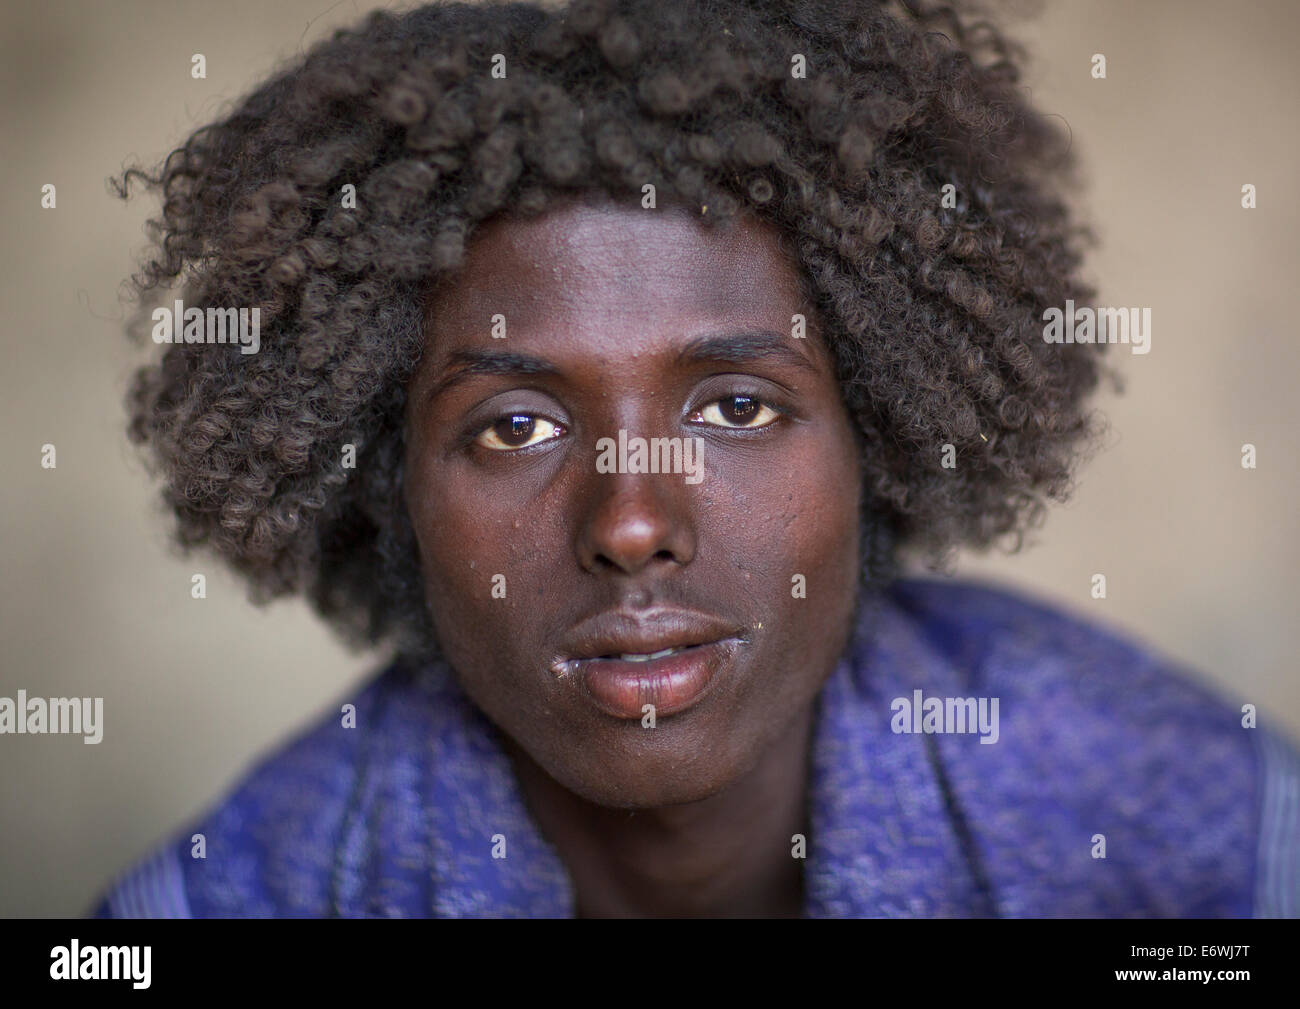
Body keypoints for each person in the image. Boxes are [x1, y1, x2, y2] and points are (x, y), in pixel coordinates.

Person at [92, 0, 1299, 917]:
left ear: (876, 433)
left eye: (735, 406)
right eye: (514, 426)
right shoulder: (254, 889)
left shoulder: (1150, 803)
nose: (630, 523)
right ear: (382, 487)